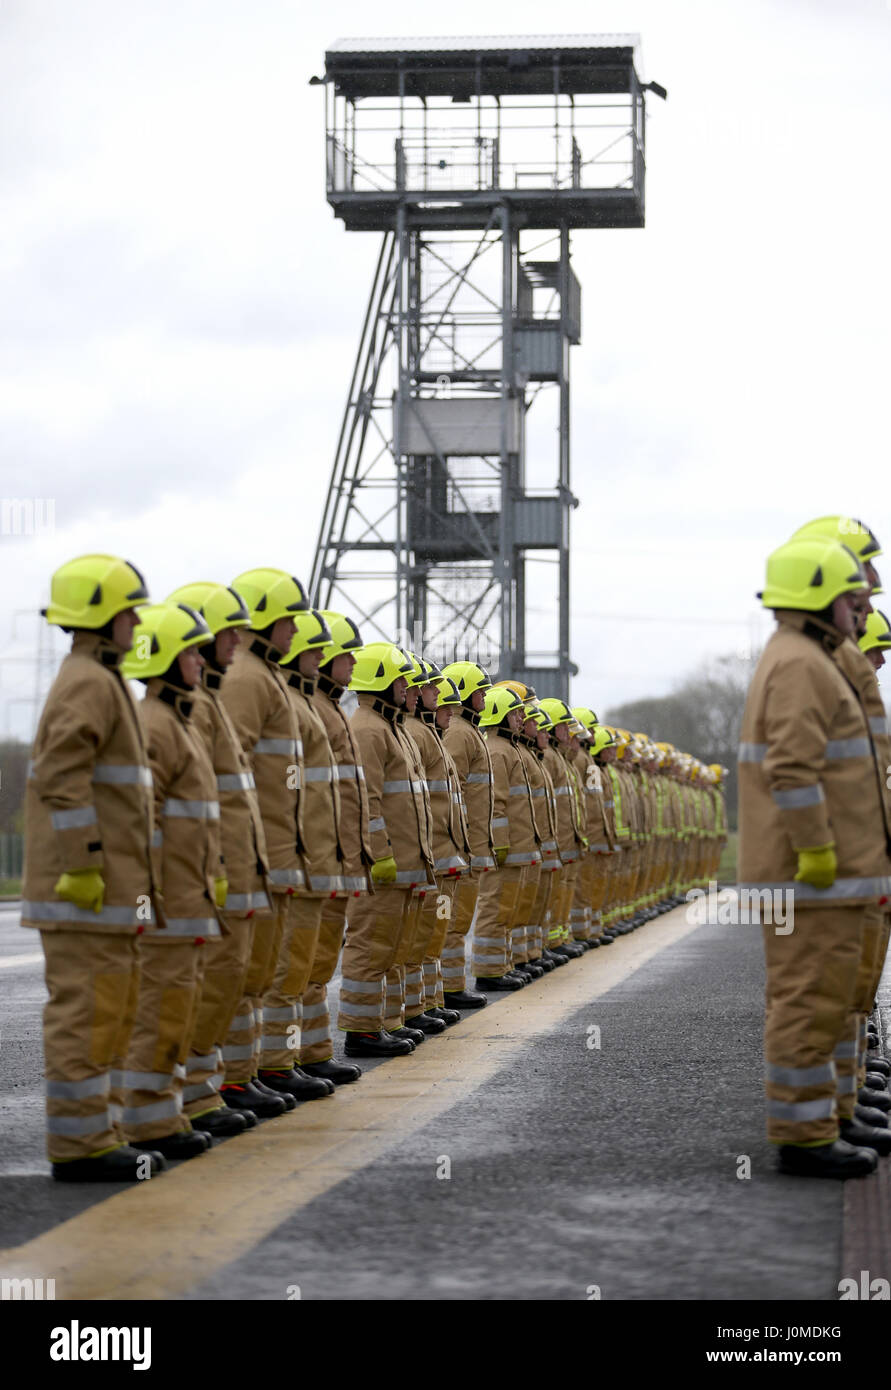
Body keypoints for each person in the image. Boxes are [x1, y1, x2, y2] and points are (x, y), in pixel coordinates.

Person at [738, 533, 891, 1178]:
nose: (862, 612)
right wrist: (820, 850)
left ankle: (823, 1116)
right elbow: (793, 770)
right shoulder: (800, 663)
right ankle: (802, 1138)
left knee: (830, 997)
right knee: (807, 1000)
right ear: (821, 599)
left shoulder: (810, 656)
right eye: (853, 600)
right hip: (809, 876)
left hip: (830, 874)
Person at [23, 554, 166, 1182]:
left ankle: (99, 1135)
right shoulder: (86, 680)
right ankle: (81, 1148)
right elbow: (60, 776)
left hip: (109, 890)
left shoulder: (101, 679)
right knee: (86, 1014)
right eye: (129, 610)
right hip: (83, 891)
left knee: (109, 1011)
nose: (137, 620)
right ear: (103, 617)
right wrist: (83, 865)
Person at [166, 580, 273, 1136]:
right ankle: (200, 1093)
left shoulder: (209, 696)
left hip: (237, 864)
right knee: (212, 981)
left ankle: (217, 1085)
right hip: (216, 870)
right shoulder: (201, 702)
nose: (238, 641)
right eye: (228, 633)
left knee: (236, 977)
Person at [120, 600, 222, 1161]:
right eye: (191, 651)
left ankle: (164, 1116)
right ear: (164, 658)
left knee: (176, 1007)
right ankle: (146, 1124)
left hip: (187, 894)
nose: (201, 660)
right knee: (159, 1007)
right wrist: (149, 900)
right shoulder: (157, 723)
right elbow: (143, 820)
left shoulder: (176, 719)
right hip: (165, 900)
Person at [337, 643, 435, 1055]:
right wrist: (380, 853)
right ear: (380, 681)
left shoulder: (389, 727)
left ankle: (383, 1022)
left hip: (405, 865)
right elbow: (367, 801)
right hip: (387, 866)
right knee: (371, 944)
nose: (410, 689)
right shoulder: (368, 728)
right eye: (402, 681)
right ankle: (361, 1031)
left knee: (390, 948)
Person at [298, 610, 372, 1083]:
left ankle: (308, 1054)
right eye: (344, 656)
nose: (348, 665)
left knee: (316, 962)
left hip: (332, 857)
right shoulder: (318, 709)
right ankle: (277, 1063)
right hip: (311, 858)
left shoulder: (328, 710)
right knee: (295, 967)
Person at [439, 661, 496, 1008]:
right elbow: (454, 790)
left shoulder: (468, 730)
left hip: (472, 842)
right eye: (479, 691)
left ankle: (452, 986)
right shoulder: (460, 731)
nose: (485, 698)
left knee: (458, 919)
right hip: (465, 842)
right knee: (454, 919)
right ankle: (449, 988)